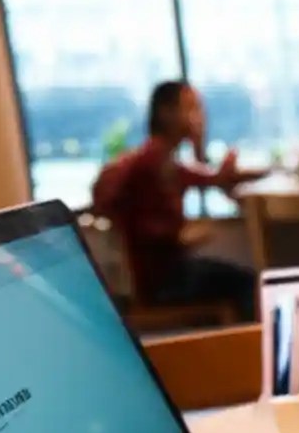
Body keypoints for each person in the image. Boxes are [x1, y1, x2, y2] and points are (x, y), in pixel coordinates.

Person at [92, 81, 264, 321]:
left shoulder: (159, 157)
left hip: (164, 275)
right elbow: (143, 229)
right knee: (250, 284)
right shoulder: (154, 161)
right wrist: (178, 238)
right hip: (162, 281)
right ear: (166, 113)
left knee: (237, 279)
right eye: (192, 108)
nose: (200, 116)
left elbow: (212, 178)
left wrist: (268, 170)